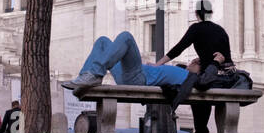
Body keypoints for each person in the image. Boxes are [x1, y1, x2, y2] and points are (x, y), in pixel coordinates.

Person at [158, 0, 234, 133]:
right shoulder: (221, 30)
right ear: (211, 13)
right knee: (205, 93)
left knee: (196, 91)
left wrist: (158, 64)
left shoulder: (196, 28)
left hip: (212, 75)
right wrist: (205, 60)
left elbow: (178, 48)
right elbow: (225, 55)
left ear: (196, 14)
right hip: (227, 77)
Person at [62, 31, 191, 93]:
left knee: (126, 37)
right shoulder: (178, 70)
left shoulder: (187, 76)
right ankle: (86, 76)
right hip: (125, 75)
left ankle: (95, 73)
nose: (194, 61)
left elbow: (201, 82)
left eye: (197, 63)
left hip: (138, 79)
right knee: (102, 41)